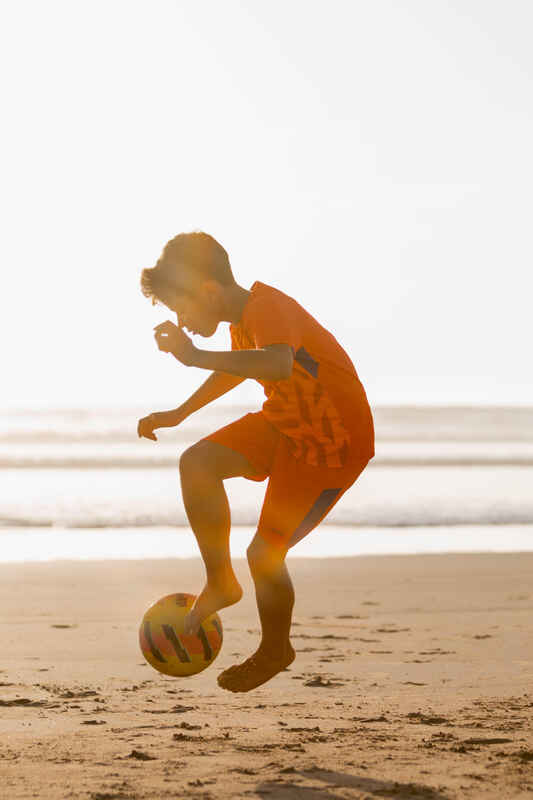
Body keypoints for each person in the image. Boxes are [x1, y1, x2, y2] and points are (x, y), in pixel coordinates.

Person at [138, 231, 375, 692]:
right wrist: (179, 413)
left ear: (208, 290)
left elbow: (278, 364)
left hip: (331, 446)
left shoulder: (268, 308)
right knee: (198, 462)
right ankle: (220, 581)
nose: (182, 322)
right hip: (285, 423)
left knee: (264, 554)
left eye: (180, 309)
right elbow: (236, 369)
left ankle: (275, 648)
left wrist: (193, 356)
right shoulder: (242, 320)